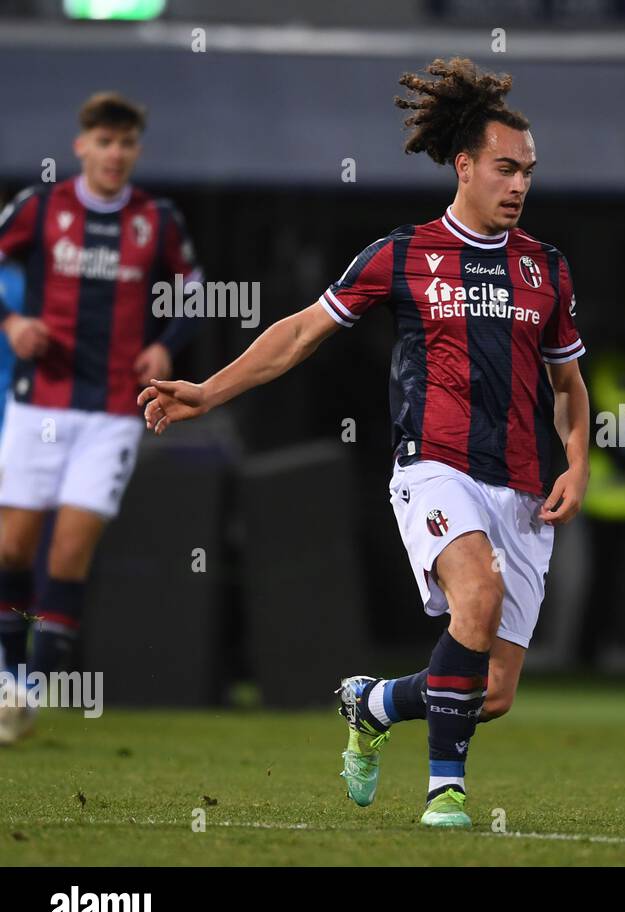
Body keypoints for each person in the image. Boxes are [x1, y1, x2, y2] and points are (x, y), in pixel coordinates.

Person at [138, 58, 590, 829]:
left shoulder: (545, 269)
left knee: (494, 693)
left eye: (530, 173)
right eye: (506, 169)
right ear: (466, 166)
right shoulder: (402, 254)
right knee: (473, 594)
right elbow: (302, 333)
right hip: (434, 468)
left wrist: (578, 464)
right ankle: (445, 796)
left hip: (520, 484)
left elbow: (570, 390)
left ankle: (373, 704)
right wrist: (208, 390)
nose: (519, 185)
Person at [0, 92, 201, 744]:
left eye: (126, 144)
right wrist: (14, 322)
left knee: (71, 547)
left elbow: (194, 292)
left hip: (114, 409)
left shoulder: (157, 220)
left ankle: (28, 691)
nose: (115, 154)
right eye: (104, 142)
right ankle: (7, 676)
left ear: (135, 151)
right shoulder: (40, 206)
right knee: (11, 547)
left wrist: (166, 342)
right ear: (81, 146)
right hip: (39, 403)